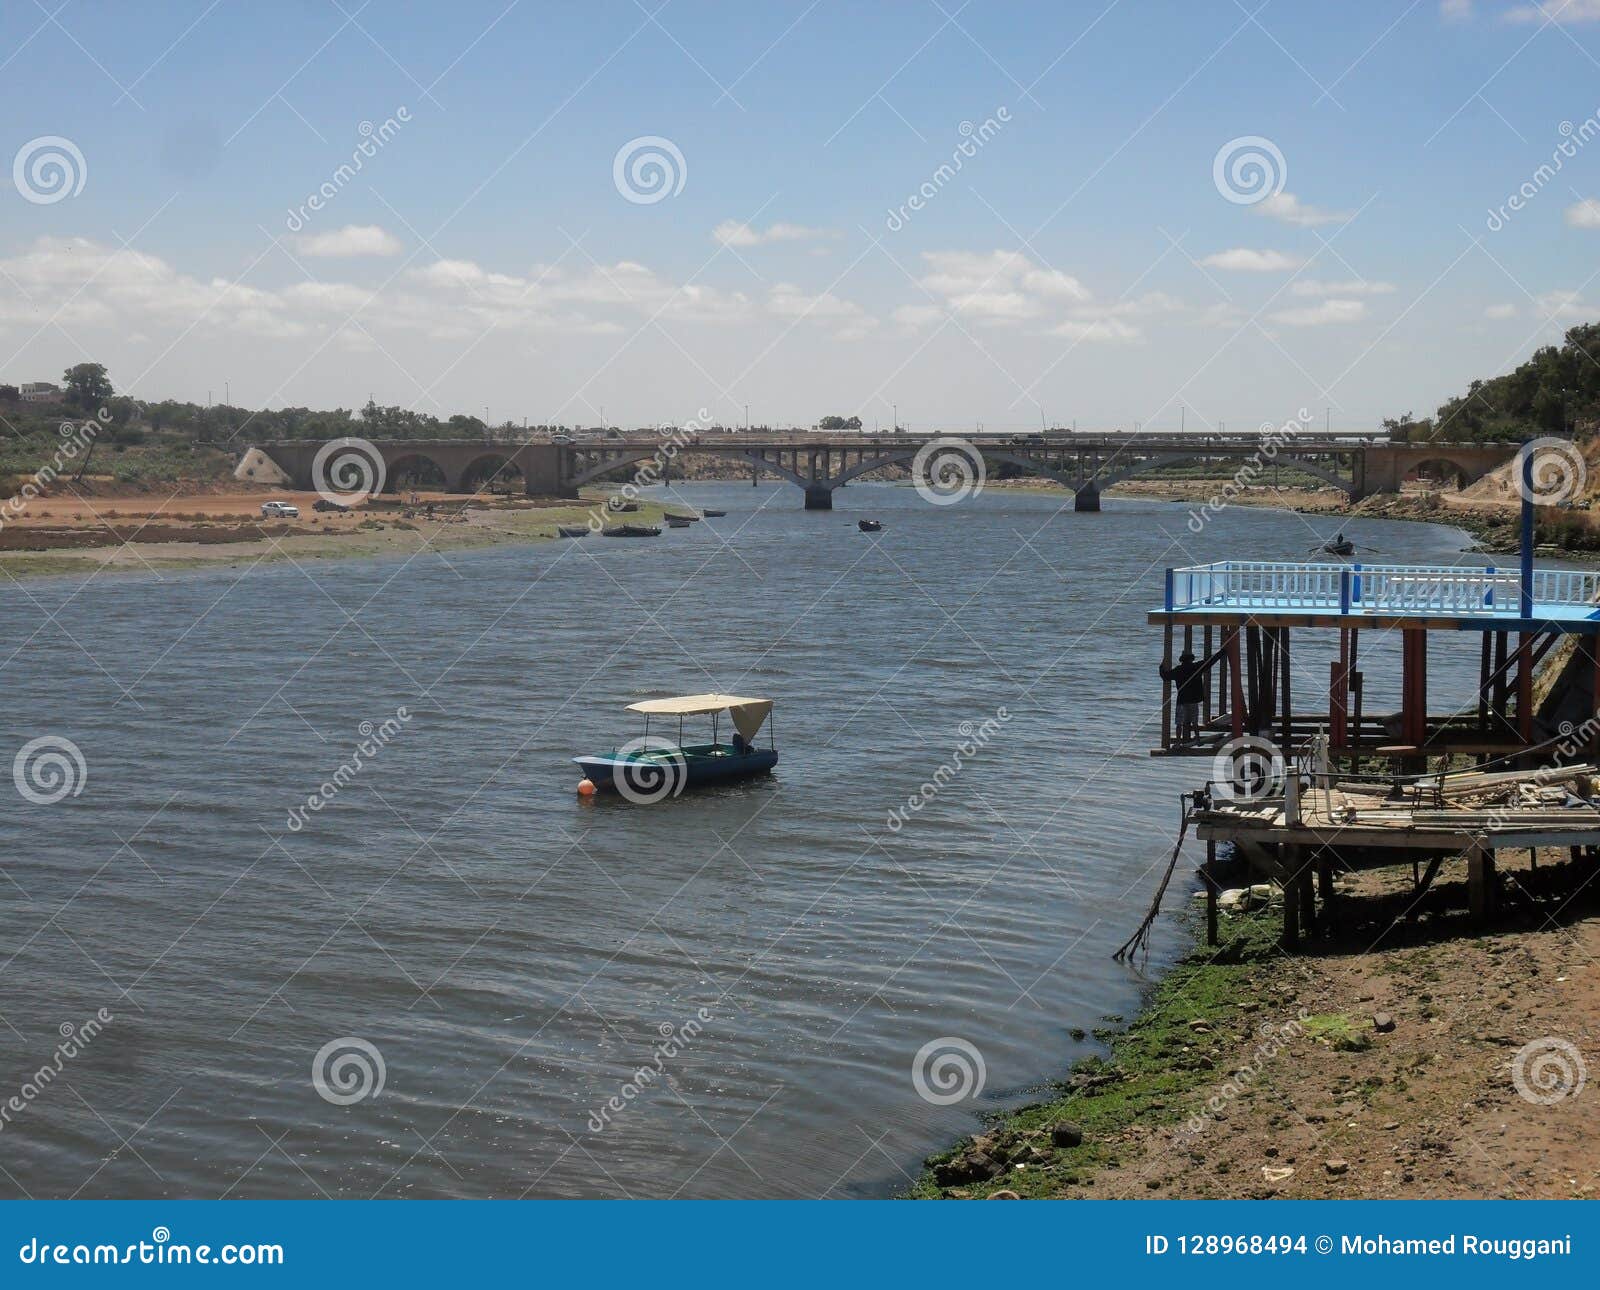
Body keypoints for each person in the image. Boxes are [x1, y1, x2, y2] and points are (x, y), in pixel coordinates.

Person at [1160, 646, 1222, 742]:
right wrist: (1223, 651)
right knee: (1194, 722)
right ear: (1191, 659)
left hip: (1182, 700)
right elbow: (1211, 661)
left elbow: (1165, 676)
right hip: (1194, 700)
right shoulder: (1196, 667)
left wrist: (1161, 666)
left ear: (1182, 660)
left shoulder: (1178, 670)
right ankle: (1197, 739)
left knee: (1179, 723)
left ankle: (1177, 742)